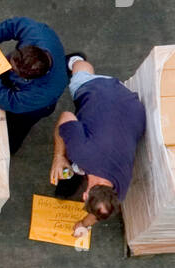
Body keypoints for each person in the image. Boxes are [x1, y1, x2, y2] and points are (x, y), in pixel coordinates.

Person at [50, 53, 147, 237]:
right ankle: (76, 60)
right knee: (80, 80)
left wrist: (83, 224)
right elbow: (66, 117)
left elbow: (99, 211)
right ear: (85, 196)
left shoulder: (121, 188)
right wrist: (59, 157)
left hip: (131, 108)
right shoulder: (82, 153)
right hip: (100, 90)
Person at [0, 17, 67, 154]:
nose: (9, 68)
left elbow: (10, 101)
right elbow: (14, 25)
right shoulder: (38, 33)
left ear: (27, 78)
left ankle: (9, 148)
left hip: (32, 109)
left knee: (15, 128)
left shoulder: (42, 93)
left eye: (13, 70)